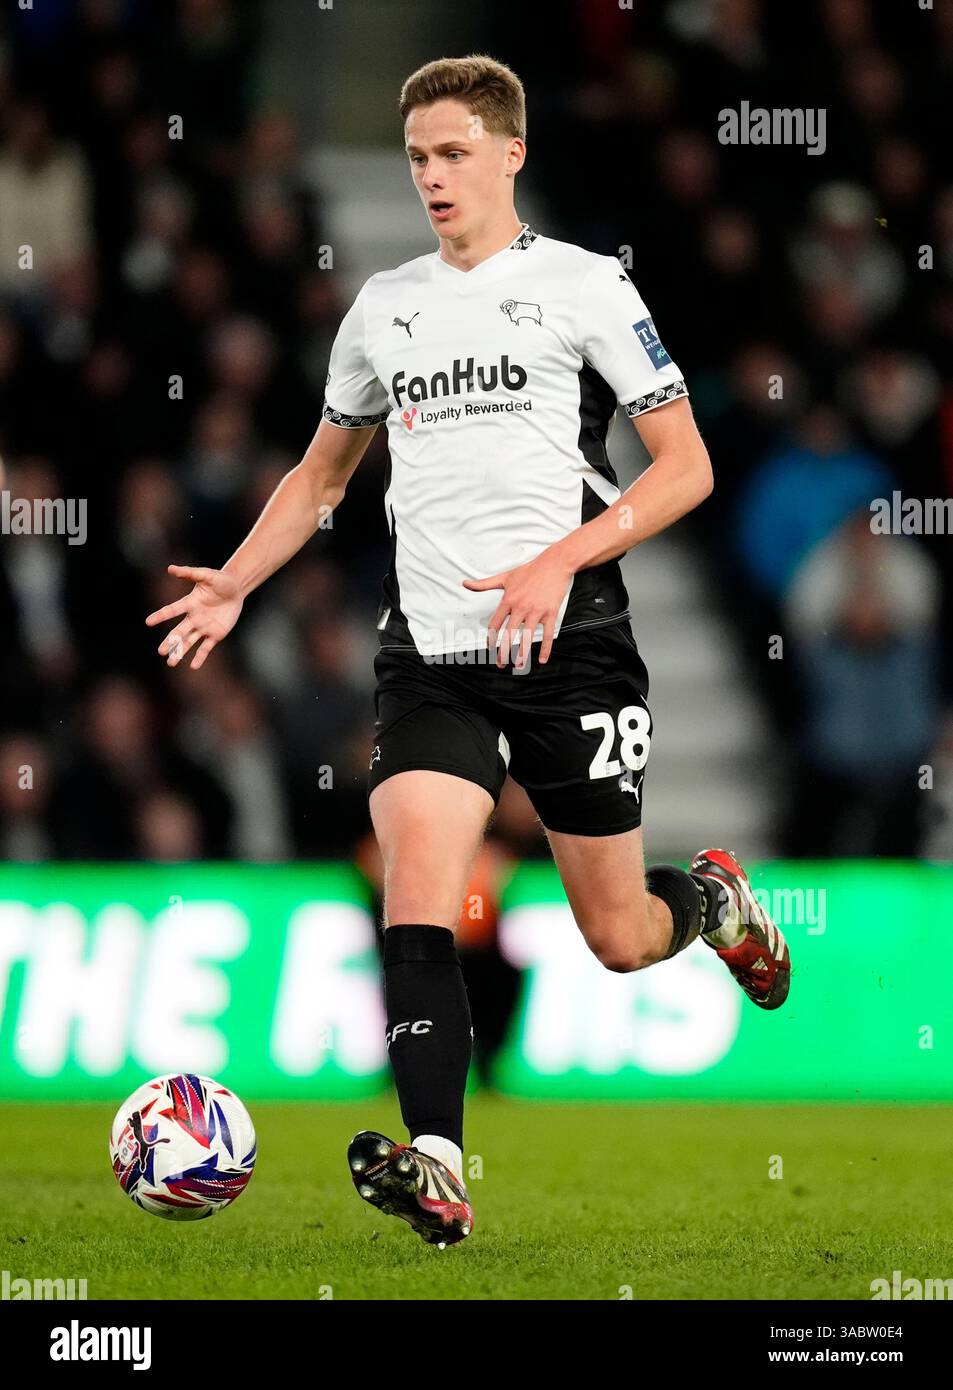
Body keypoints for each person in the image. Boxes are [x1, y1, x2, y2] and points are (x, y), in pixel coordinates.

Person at [146, 55, 790, 1250]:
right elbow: (321, 475)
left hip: (571, 642)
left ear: (510, 153)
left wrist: (562, 557)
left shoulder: (584, 285)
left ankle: (708, 900)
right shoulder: (383, 307)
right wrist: (236, 576)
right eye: (416, 159)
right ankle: (436, 1159)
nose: (432, 177)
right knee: (416, 887)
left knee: (617, 937)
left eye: (452, 153)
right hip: (430, 657)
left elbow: (686, 466)